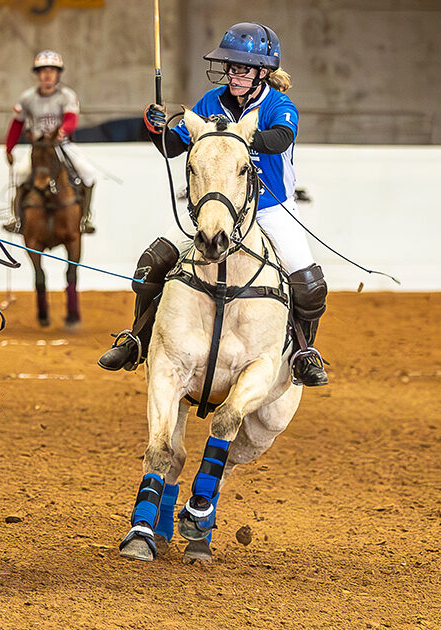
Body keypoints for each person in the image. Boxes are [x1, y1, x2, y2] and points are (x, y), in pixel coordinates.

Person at [96, 22, 329, 387]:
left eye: (242, 68)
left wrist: (237, 137)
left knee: (308, 281)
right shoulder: (211, 102)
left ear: (262, 72)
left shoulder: (278, 104)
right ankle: (137, 339)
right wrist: (154, 129)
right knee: (153, 262)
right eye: (230, 67)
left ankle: (303, 352)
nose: (233, 74)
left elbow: (281, 139)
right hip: (215, 210)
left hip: (268, 207)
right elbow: (172, 147)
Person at [3, 50, 97, 234]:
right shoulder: (27, 98)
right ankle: (16, 218)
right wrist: (9, 147)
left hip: (61, 145)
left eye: (51, 70)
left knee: (88, 173)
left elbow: (71, 119)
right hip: (39, 147)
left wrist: (62, 131)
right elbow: (17, 123)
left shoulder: (67, 95)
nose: (47, 74)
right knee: (21, 174)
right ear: (38, 74)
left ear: (58, 73)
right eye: (43, 70)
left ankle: (85, 218)